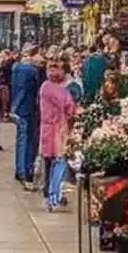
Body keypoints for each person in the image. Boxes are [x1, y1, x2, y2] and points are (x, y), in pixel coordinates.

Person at [38, 58, 78, 211]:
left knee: (50, 162)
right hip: (57, 130)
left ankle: (50, 192)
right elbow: (68, 105)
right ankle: (53, 195)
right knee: (59, 161)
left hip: (49, 129)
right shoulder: (54, 88)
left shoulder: (45, 86)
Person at [10, 45, 44, 186]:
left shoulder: (16, 67)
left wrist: (13, 108)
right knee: (28, 139)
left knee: (20, 139)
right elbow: (30, 90)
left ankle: (20, 169)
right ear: (33, 55)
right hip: (28, 108)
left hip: (19, 108)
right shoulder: (32, 71)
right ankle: (26, 170)